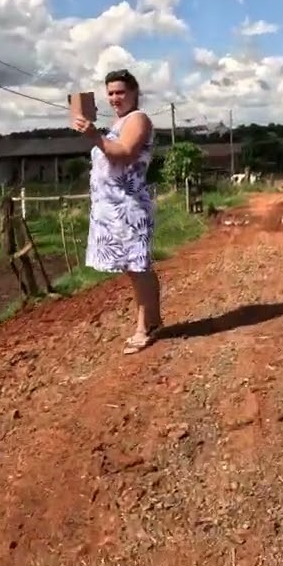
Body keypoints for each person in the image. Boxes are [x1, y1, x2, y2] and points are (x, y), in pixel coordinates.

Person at [69, 69, 162, 354]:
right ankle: (153, 320)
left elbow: (124, 153)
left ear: (134, 93)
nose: (114, 98)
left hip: (128, 209)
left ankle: (144, 327)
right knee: (134, 267)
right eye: (110, 93)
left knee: (138, 267)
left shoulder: (138, 120)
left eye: (120, 92)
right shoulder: (117, 123)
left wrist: (96, 137)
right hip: (112, 210)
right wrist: (95, 135)